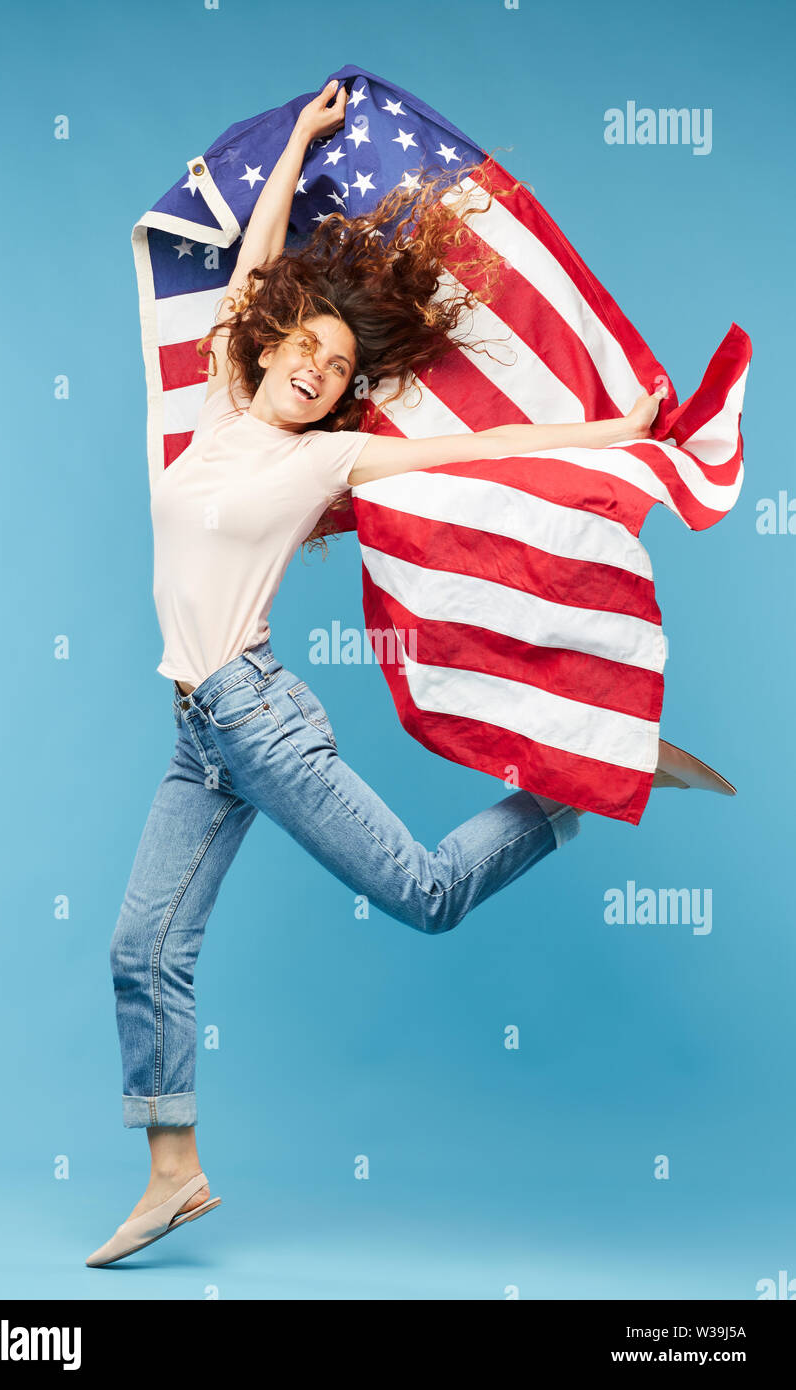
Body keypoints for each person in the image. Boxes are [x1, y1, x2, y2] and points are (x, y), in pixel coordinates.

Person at [86, 80, 734, 1267]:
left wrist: (614, 434)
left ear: (341, 393)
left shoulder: (325, 459)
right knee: (140, 949)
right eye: (305, 350)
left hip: (255, 713)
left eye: (336, 368)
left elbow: (489, 445)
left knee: (427, 896)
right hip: (196, 727)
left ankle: (581, 778)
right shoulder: (228, 405)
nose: (315, 372)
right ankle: (172, 1172)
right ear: (271, 343)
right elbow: (256, 253)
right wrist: (295, 141)